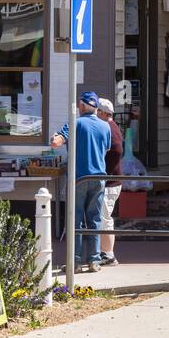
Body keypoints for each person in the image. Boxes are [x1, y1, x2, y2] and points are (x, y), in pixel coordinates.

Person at [51, 90, 111, 272]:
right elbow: (106, 149)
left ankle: (75, 263)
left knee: (75, 219)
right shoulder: (105, 126)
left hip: (79, 178)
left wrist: (55, 136)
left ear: (82, 105)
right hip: (99, 177)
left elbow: (56, 143)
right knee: (94, 219)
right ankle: (94, 261)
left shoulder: (75, 123)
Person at [95, 97, 124, 266]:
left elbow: (117, 151)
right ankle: (104, 252)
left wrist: (104, 174)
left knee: (105, 217)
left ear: (103, 113)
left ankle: (109, 254)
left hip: (109, 183)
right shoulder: (111, 127)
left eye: (96, 111)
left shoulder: (109, 128)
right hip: (111, 181)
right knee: (104, 217)